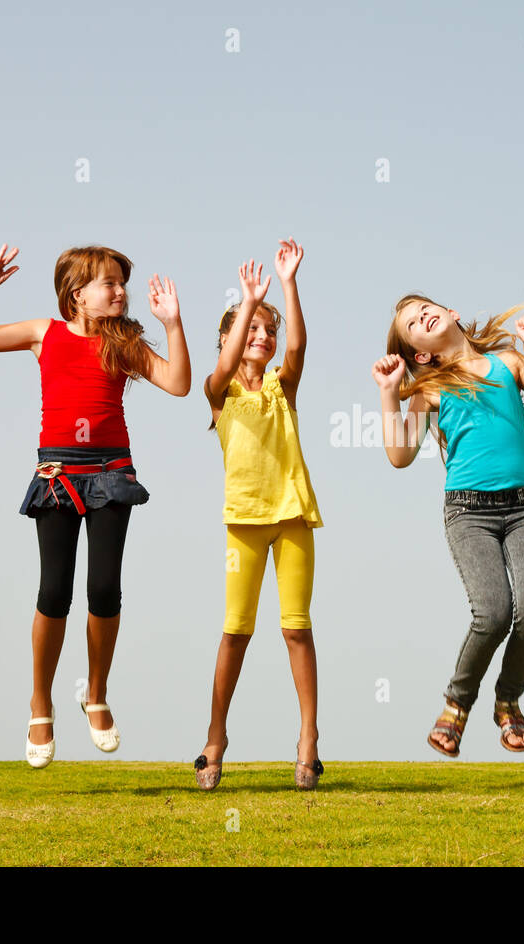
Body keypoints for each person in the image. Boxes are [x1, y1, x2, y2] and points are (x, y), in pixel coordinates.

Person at [0, 244, 192, 768]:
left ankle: (96, 693)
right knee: (53, 590)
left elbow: (178, 384)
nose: (120, 291)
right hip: (58, 474)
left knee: (105, 587)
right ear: (76, 293)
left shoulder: (123, 343)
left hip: (111, 472)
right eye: (109, 283)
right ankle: (41, 701)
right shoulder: (45, 333)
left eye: (121, 283)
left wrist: (172, 323)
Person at [373, 293, 524, 757]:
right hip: (469, 513)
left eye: (425, 308)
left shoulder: (508, 363)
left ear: (451, 314)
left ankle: (508, 699)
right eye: (411, 325)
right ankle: (457, 702)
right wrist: (389, 393)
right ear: (420, 353)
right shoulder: (429, 387)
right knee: (493, 613)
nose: (421, 317)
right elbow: (399, 455)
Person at [195, 239, 324, 791]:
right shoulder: (219, 391)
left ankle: (308, 740)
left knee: (296, 630)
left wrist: (287, 285)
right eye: (251, 330)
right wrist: (249, 301)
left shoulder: (281, 387)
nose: (262, 337)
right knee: (234, 633)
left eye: (267, 331)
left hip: (292, 516)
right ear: (227, 339)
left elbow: (297, 347)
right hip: (243, 524)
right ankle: (215, 739)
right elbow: (222, 367)